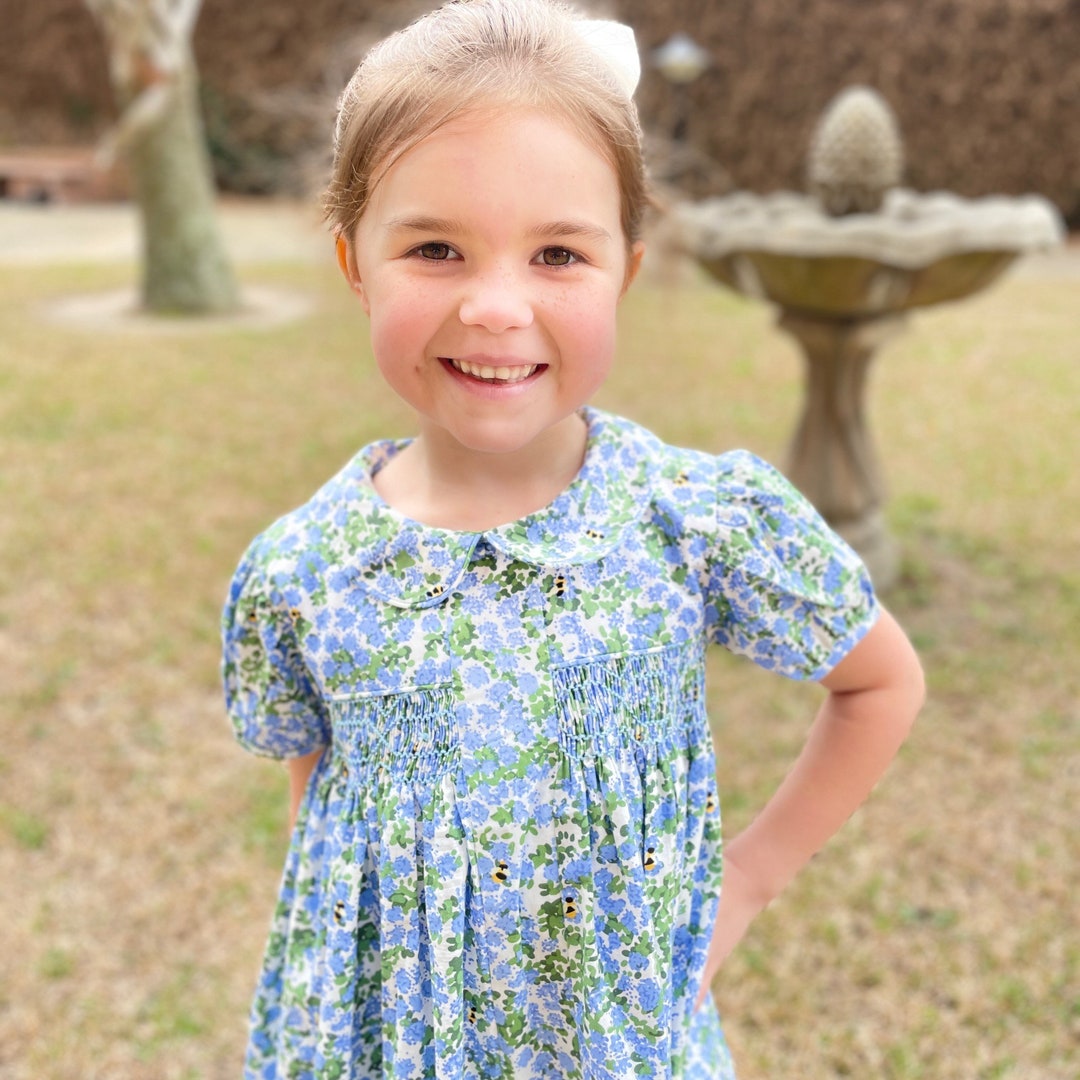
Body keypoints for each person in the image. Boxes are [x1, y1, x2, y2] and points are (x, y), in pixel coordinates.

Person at [221, 1, 925, 1077]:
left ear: (625, 271)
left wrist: (750, 877)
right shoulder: (300, 571)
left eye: (556, 252)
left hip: (610, 1040)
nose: (497, 306)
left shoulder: (689, 521)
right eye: (436, 248)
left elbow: (881, 683)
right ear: (355, 263)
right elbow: (315, 797)